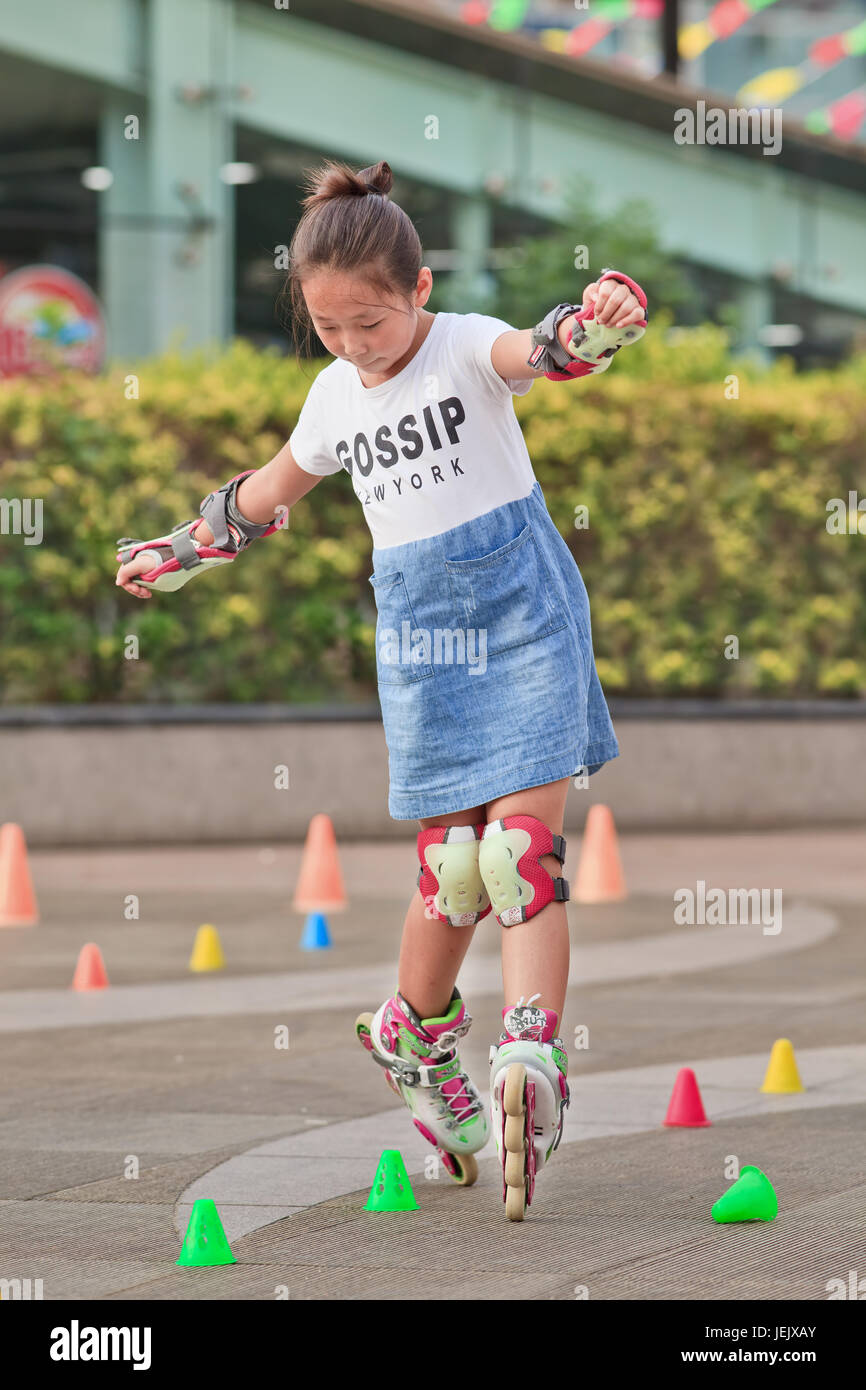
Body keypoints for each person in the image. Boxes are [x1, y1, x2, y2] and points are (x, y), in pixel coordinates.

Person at [115, 157, 647, 1221]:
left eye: (370, 321)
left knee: (519, 856)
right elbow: (266, 497)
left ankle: (530, 1049)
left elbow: (534, 354)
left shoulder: (458, 345)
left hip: (524, 611)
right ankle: (412, 1033)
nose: (354, 346)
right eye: (328, 328)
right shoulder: (329, 398)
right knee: (453, 866)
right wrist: (178, 547)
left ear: (418, 289)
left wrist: (584, 330)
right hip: (421, 634)